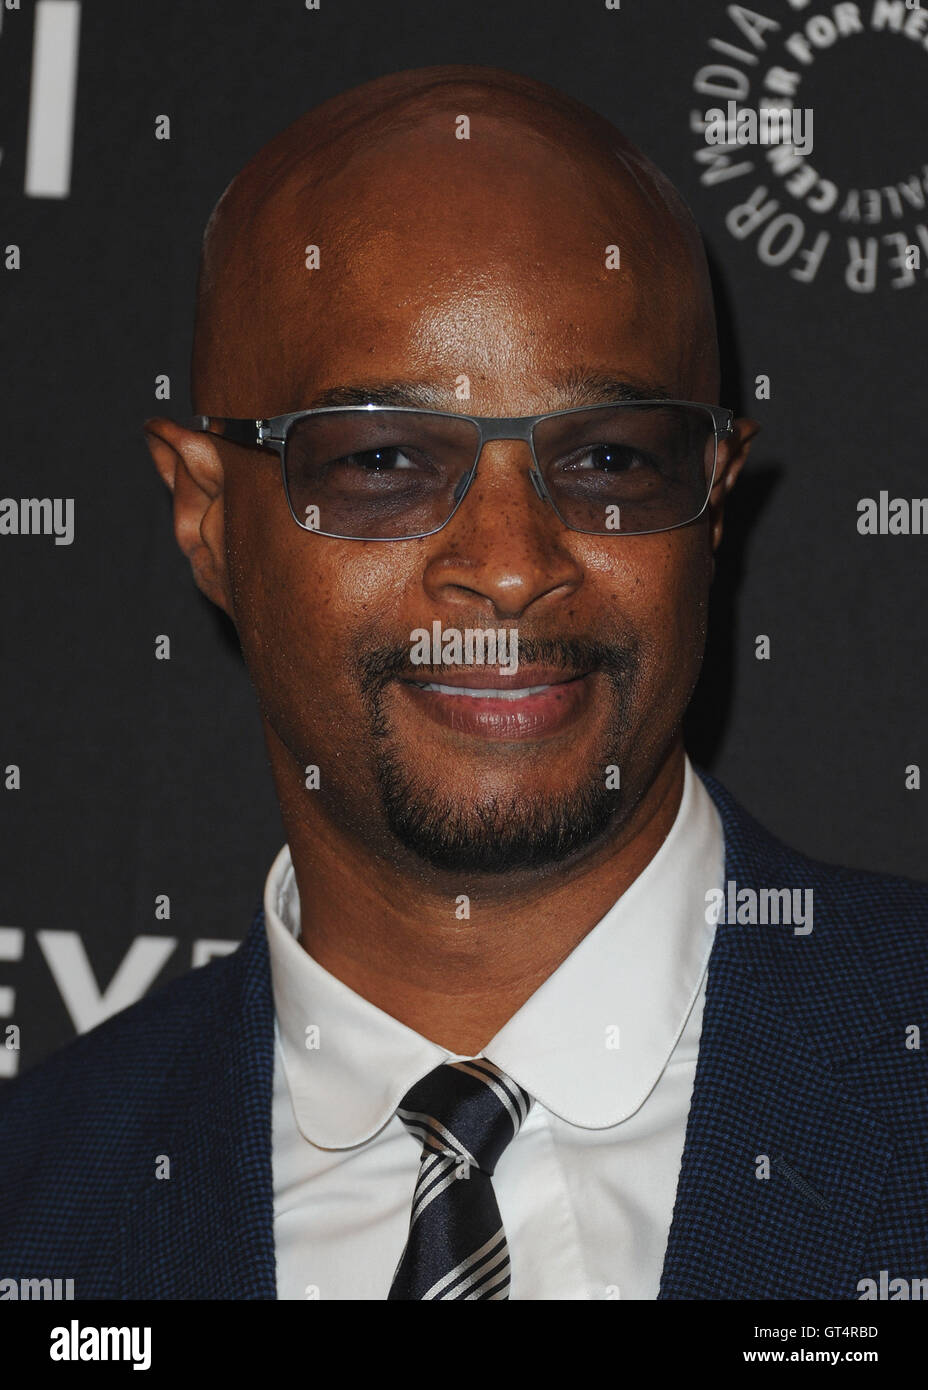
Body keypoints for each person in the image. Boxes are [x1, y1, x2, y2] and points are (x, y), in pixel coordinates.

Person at [1, 64, 925, 1302]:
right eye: (381, 459)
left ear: (711, 498)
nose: (508, 567)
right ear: (209, 517)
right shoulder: (37, 1214)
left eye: (607, 457)